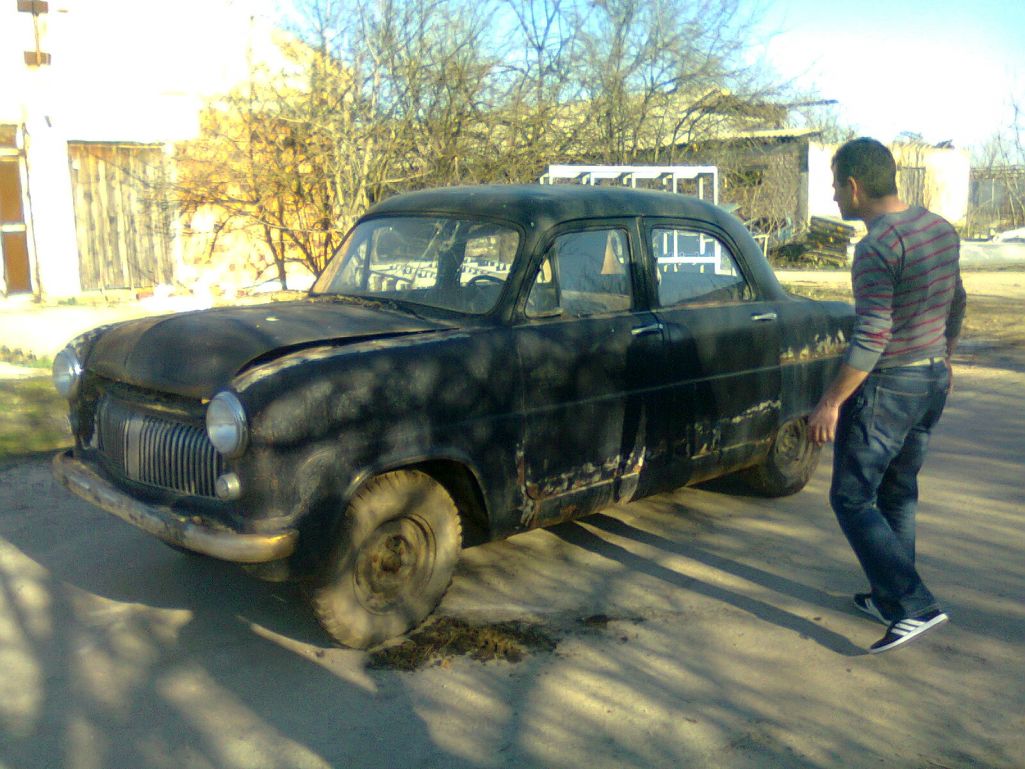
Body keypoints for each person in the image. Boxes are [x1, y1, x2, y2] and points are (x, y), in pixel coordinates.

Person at [808, 137, 967, 654]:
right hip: (930, 381)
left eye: (835, 185)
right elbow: (956, 297)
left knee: (851, 496)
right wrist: (947, 354)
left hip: (891, 386)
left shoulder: (877, 246)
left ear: (854, 185)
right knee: (898, 490)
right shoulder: (939, 229)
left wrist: (831, 401)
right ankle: (889, 595)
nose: (834, 197)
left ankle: (912, 605)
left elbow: (872, 335)